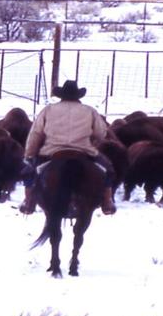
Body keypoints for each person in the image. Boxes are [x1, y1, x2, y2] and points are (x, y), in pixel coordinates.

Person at [20, 80, 117, 216]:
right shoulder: (90, 111)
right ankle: (107, 202)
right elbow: (101, 133)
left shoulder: (48, 110)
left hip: (51, 152)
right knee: (108, 170)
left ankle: (28, 202)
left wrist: (29, 154)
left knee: (29, 171)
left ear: (61, 95)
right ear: (78, 96)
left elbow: (35, 133)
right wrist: (93, 143)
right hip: (84, 151)